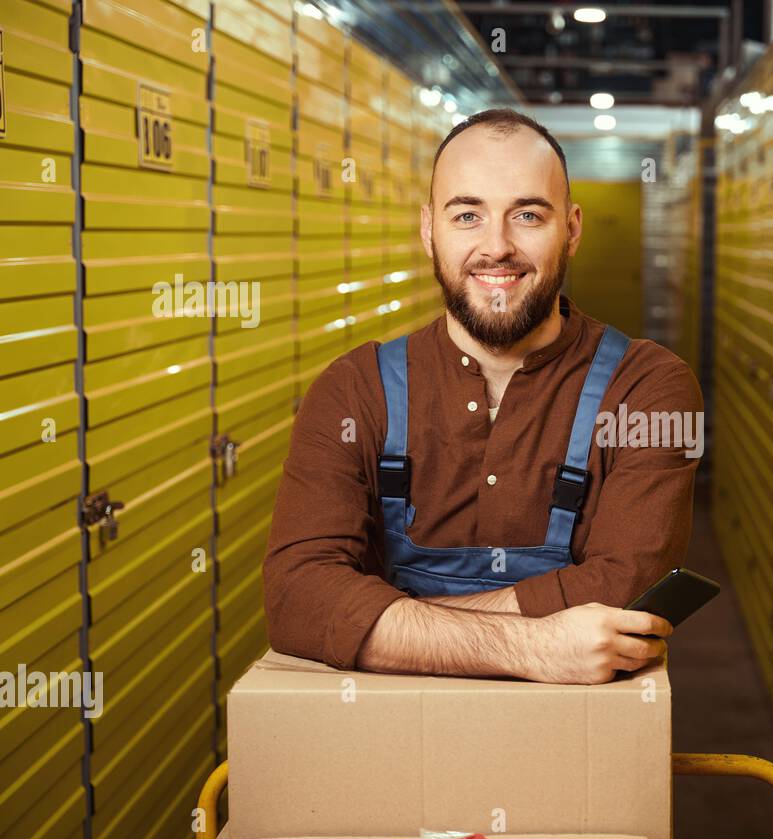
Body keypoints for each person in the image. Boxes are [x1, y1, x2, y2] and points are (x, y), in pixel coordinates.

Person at [261, 108, 703, 684]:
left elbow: (628, 589)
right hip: (376, 750)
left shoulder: (648, 389)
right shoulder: (352, 391)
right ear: (428, 230)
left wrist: (381, 619)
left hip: (578, 749)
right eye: (467, 215)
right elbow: (296, 597)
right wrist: (532, 647)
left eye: (526, 214)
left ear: (570, 228)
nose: (497, 247)